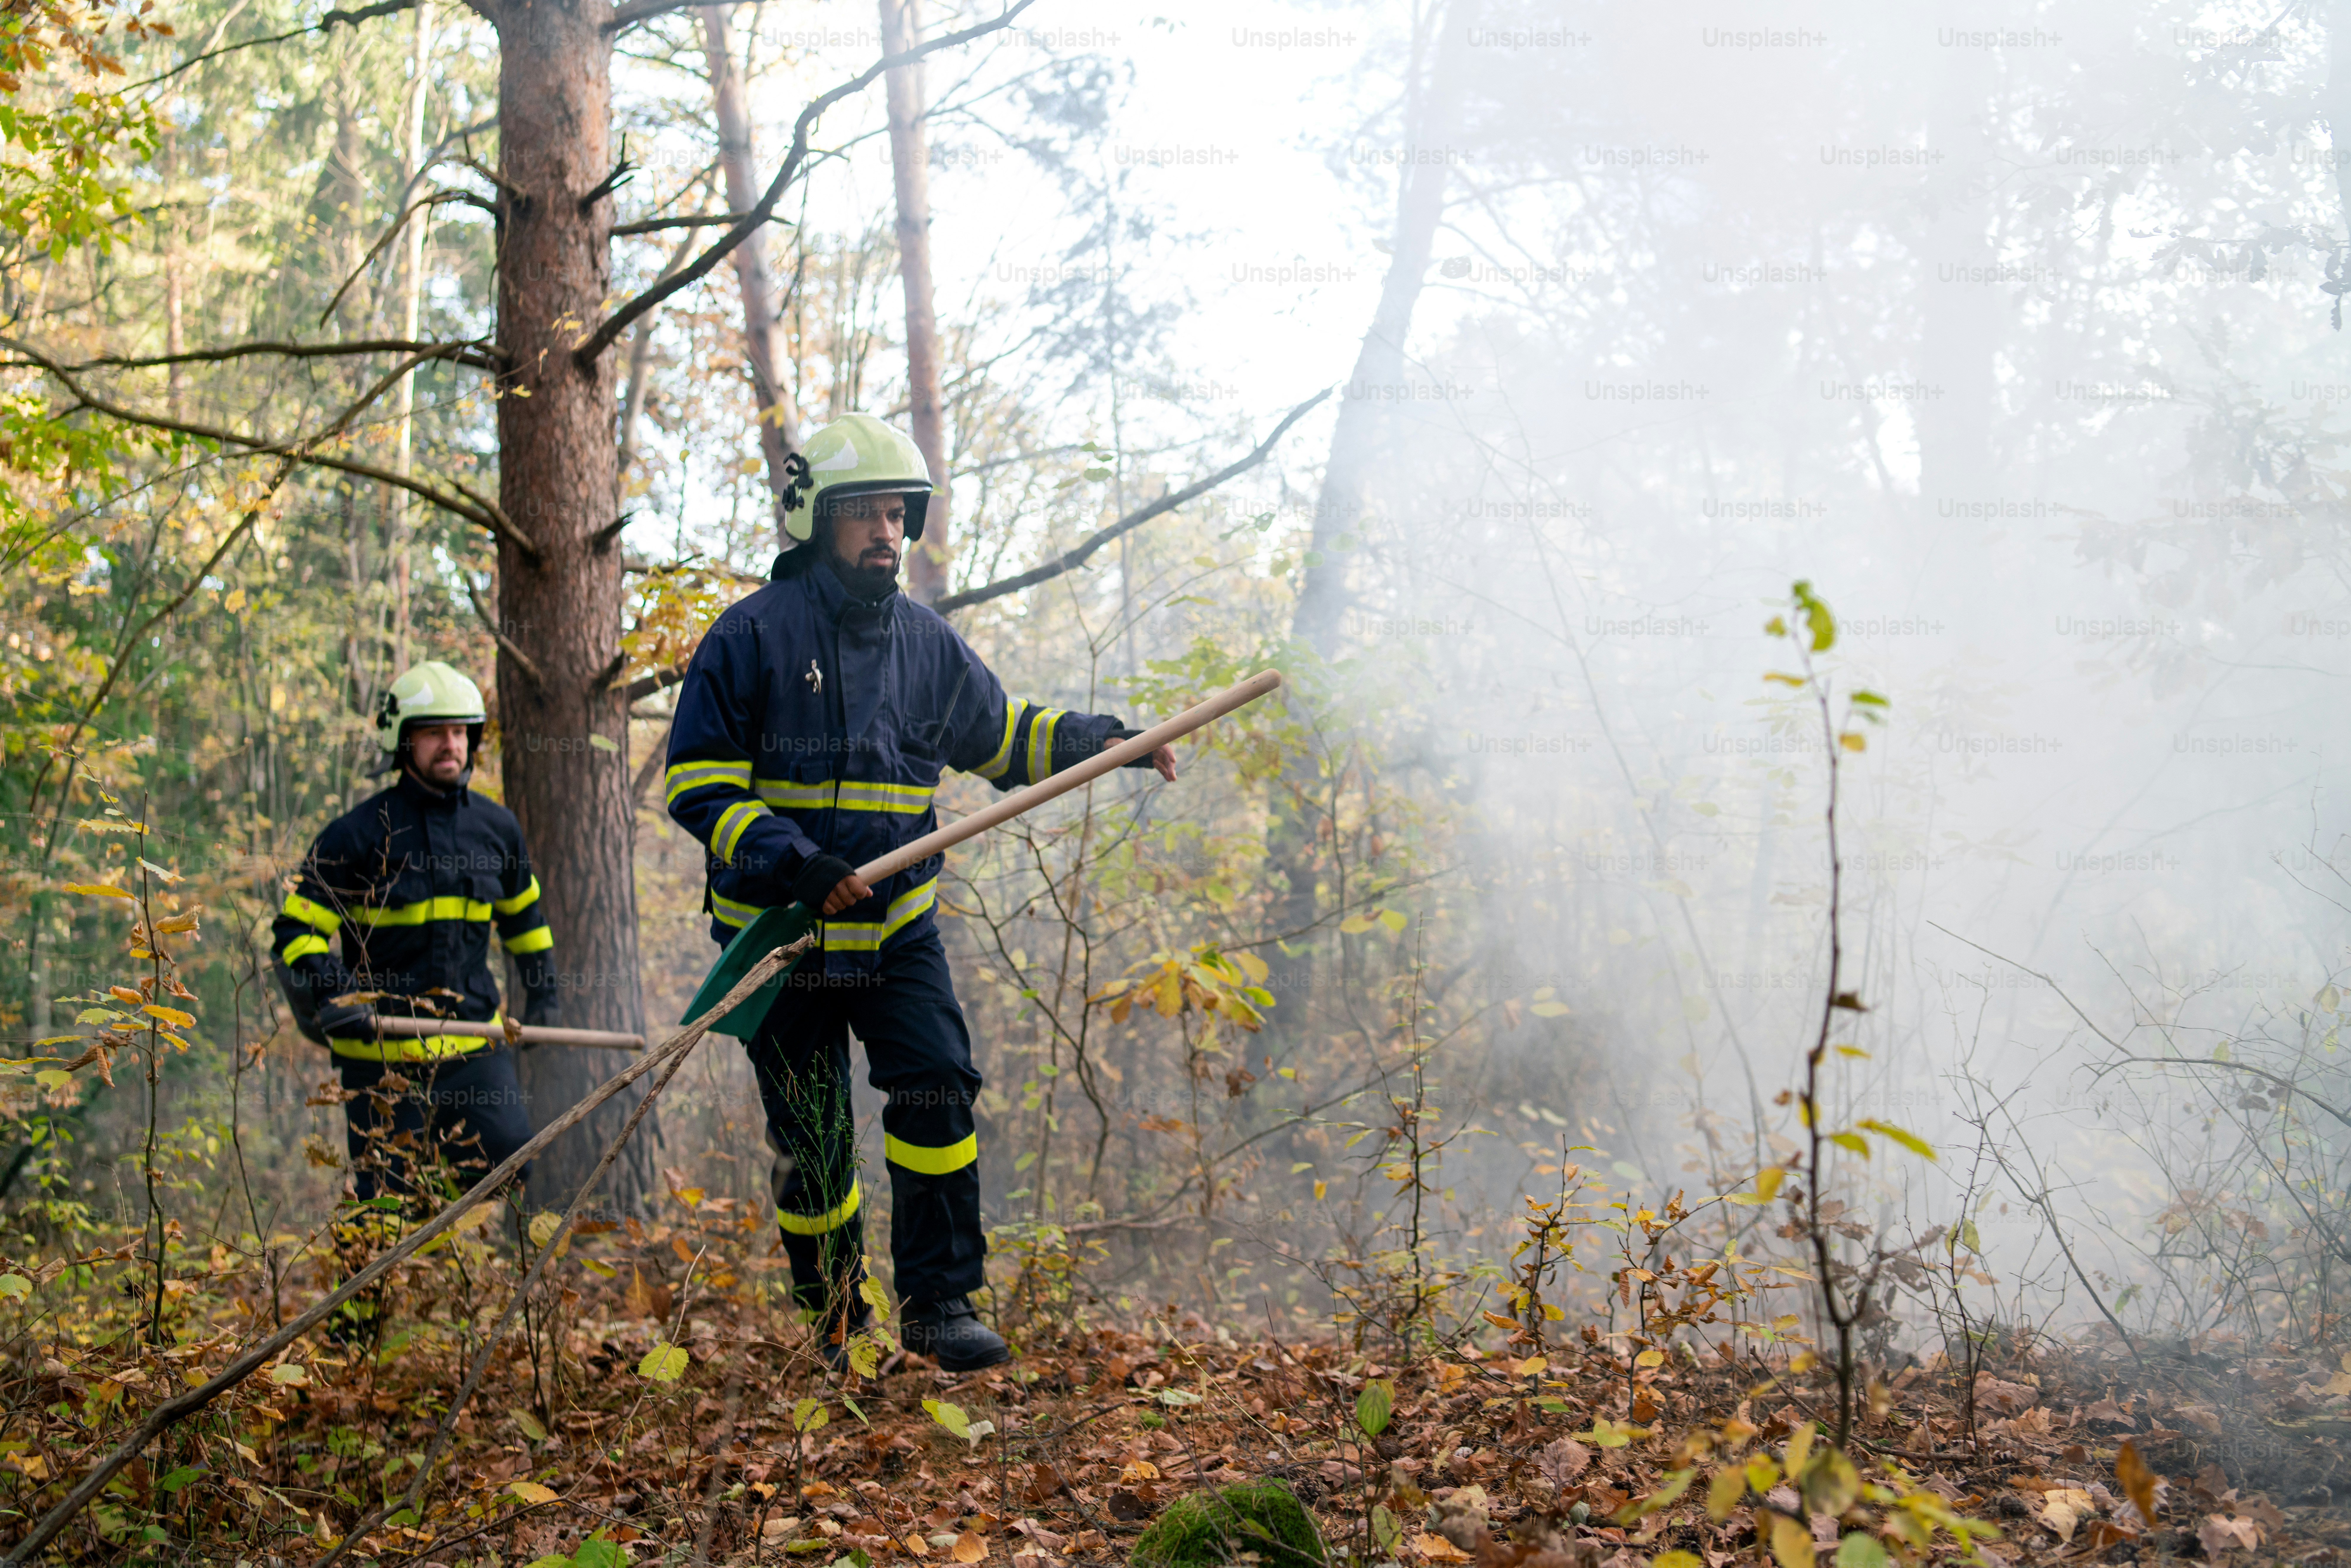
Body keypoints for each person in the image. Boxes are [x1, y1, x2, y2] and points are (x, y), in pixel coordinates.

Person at [665, 414, 1175, 1372]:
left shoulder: (927, 647)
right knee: (814, 1141)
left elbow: (1005, 736)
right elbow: (694, 784)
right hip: (787, 944)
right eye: (863, 512)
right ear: (815, 519)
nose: (884, 533)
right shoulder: (748, 638)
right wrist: (795, 864)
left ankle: (940, 1306)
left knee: (938, 1093)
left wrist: (1105, 742)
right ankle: (839, 1330)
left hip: (899, 934)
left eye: (897, 513)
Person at [271, 660, 557, 1226]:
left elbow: (526, 923)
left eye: (460, 732)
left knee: (508, 1162)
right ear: (403, 743)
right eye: (434, 733)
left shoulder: (498, 830)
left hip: (473, 1048)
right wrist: (337, 996)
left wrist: (543, 994)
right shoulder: (353, 836)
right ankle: (362, 1314)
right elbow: (295, 933)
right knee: (384, 1209)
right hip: (379, 1062)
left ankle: (464, 1293)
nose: (450, 745)